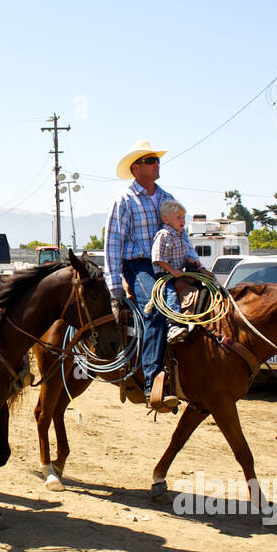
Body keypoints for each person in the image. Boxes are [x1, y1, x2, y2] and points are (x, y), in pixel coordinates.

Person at [104, 140, 180, 412]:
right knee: (156, 309)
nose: (156, 164)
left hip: (168, 265)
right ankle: (152, 383)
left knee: (202, 299)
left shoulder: (167, 199)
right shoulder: (123, 200)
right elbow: (113, 244)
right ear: (136, 168)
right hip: (138, 266)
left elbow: (179, 233)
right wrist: (115, 288)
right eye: (150, 160)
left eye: (157, 160)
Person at [151, 200, 209, 344]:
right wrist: (171, 270)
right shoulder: (163, 235)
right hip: (164, 275)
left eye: (183, 217)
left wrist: (191, 261)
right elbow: (157, 259)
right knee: (170, 293)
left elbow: (185, 254)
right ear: (166, 219)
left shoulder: (181, 235)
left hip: (178, 272)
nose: (182, 220)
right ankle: (173, 325)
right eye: (178, 217)